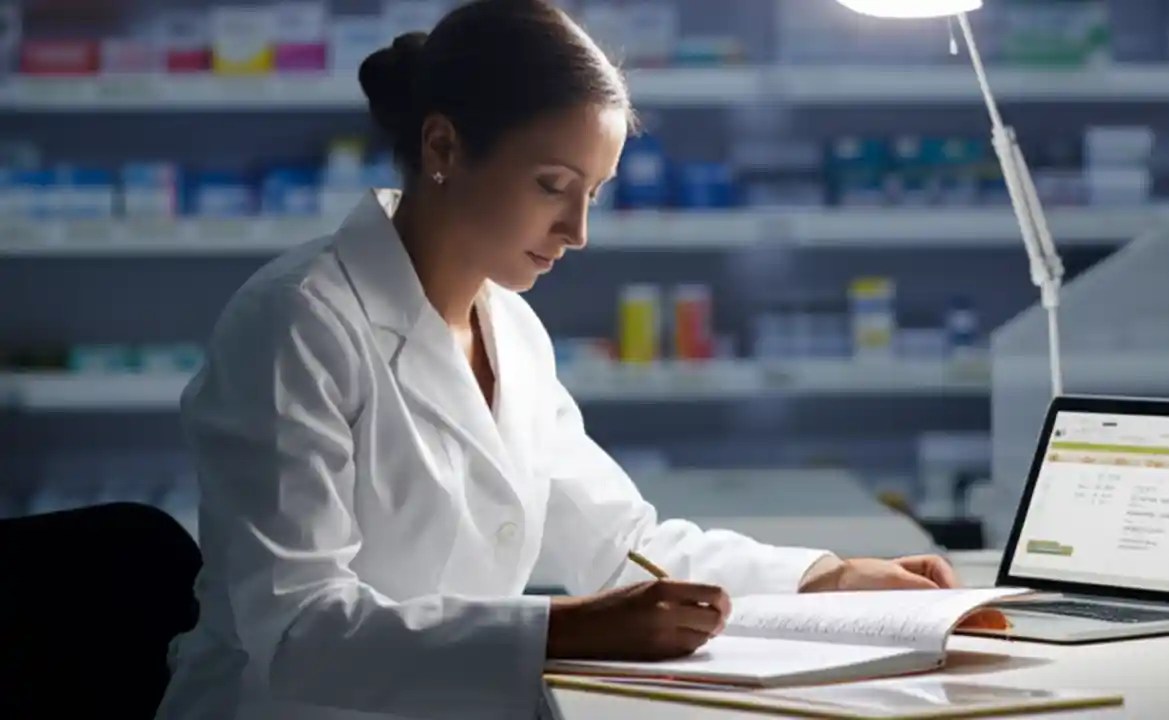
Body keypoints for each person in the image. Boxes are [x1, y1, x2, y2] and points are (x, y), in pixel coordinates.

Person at [154, 2, 966, 718]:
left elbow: (624, 542)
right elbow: (300, 632)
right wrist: (565, 629)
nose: (579, 229)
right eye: (552, 184)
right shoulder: (299, 321)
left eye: (596, 192)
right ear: (443, 144)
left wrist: (826, 581)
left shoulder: (511, 328)